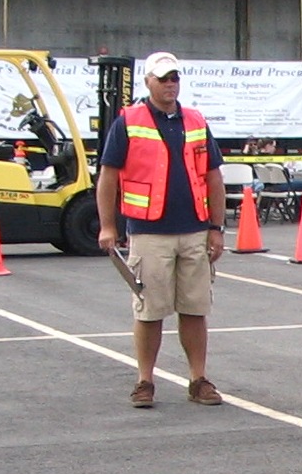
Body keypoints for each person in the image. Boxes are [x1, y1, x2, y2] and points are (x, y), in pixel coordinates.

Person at [95, 52, 228, 409]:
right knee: (149, 311)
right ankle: (145, 381)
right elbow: (108, 176)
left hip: (195, 230)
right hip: (150, 232)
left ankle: (198, 379)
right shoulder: (128, 121)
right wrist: (108, 225)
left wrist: (216, 228)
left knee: (195, 308)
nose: (170, 84)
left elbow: (213, 176)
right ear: (148, 82)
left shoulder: (196, 121)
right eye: (163, 78)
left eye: (174, 78)